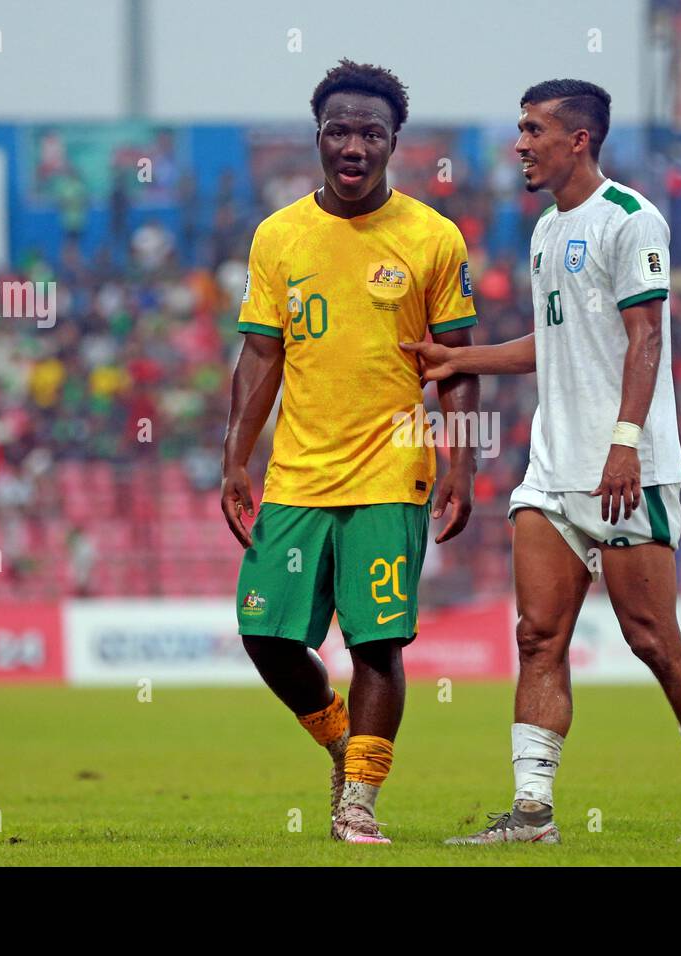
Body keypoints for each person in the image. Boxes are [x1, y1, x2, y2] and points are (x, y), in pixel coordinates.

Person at [403, 78, 681, 844]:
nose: (520, 144)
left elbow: (646, 336)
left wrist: (625, 442)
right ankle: (532, 812)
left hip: (627, 467)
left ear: (579, 139)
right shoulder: (544, 230)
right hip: (552, 470)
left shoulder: (632, 219)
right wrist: (459, 359)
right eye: (520, 129)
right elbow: (554, 342)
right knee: (537, 636)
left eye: (533, 130)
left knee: (652, 639)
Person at [221, 60, 480, 844]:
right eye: (339, 131)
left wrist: (462, 464)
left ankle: (358, 804)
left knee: (377, 641)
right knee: (265, 633)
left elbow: (456, 364)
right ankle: (341, 742)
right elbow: (260, 357)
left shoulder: (433, 237)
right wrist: (236, 458)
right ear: (319, 137)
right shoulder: (278, 236)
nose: (354, 146)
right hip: (298, 474)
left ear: (395, 141)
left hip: (392, 470)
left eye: (371, 133)